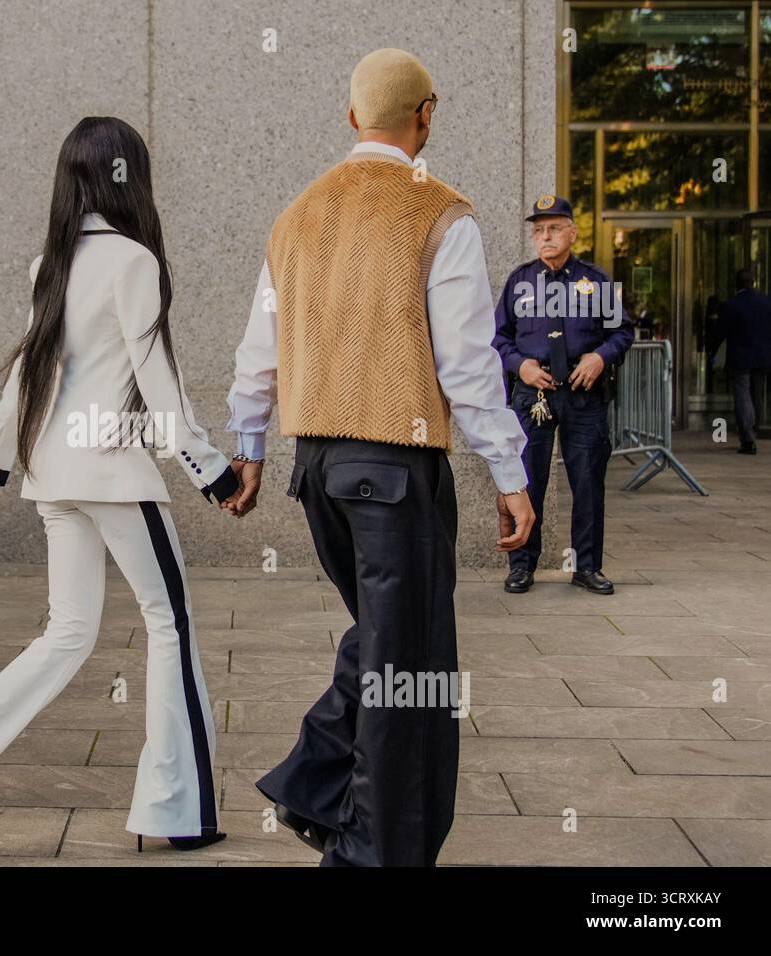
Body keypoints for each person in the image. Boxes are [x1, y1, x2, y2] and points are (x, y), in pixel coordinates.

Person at [0, 116, 239, 858]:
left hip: (54, 476)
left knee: (65, 637)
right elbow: (159, 383)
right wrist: (214, 471)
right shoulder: (133, 262)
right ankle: (176, 810)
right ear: (128, 176)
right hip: (114, 474)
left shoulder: (51, 260)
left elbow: (30, 374)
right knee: (169, 624)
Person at [224, 49, 534, 866]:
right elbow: (468, 367)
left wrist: (249, 446)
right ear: (426, 113)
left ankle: (325, 793)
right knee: (408, 670)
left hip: (317, 468)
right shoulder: (440, 214)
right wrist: (511, 473)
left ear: (349, 114)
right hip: (395, 472)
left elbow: (260, 350)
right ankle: (364, 841)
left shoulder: (298, 214)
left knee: (390, 649)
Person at [492, 195, 634, 595]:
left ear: (573, 232)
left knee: (587, 481)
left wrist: (599, 358)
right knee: (527, 479)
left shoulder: (596, 281)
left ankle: (586, 567)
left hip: (581, 393)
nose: (545, 236)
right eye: (538, 230)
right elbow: (499, 337)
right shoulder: (520, 281)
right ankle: (522, 565)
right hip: (532, 396)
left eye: (553, 228)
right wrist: (520, 365)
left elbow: (622, 332)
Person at [713, 268, 770, 454]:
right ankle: (753, 430)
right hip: (762, 357)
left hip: (740, 357)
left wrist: (712, 352)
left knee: (742, 395)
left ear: (737, 284)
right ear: (753, 282)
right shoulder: (766, 302)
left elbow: (719, 332)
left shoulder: (732, 304)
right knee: (756, 395)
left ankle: (748, 438)